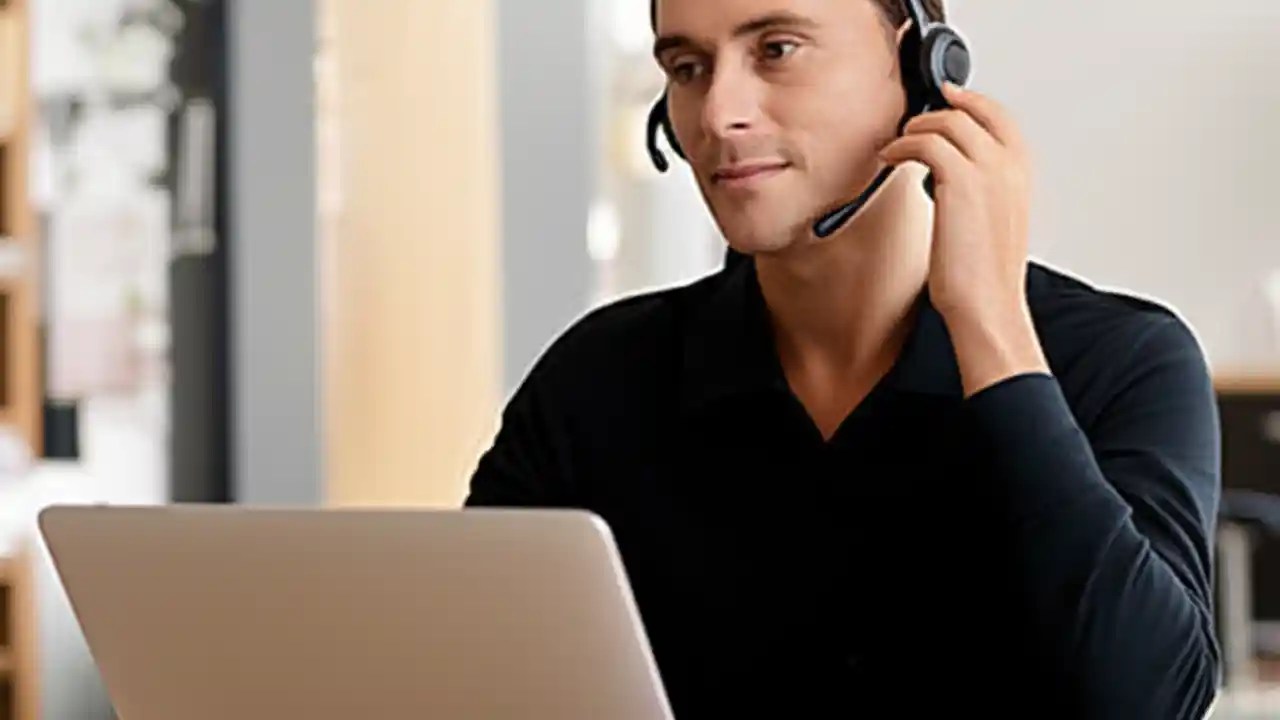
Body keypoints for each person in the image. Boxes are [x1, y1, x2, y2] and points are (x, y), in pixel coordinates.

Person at [465, 0, 1222, 717]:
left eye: (777, 50)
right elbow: (456, 666)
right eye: (688, 66)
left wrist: (988, 321)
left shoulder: (1123, 362)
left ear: (924, 67)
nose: (720, 113)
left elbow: (1149, 701)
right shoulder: (598, 377)